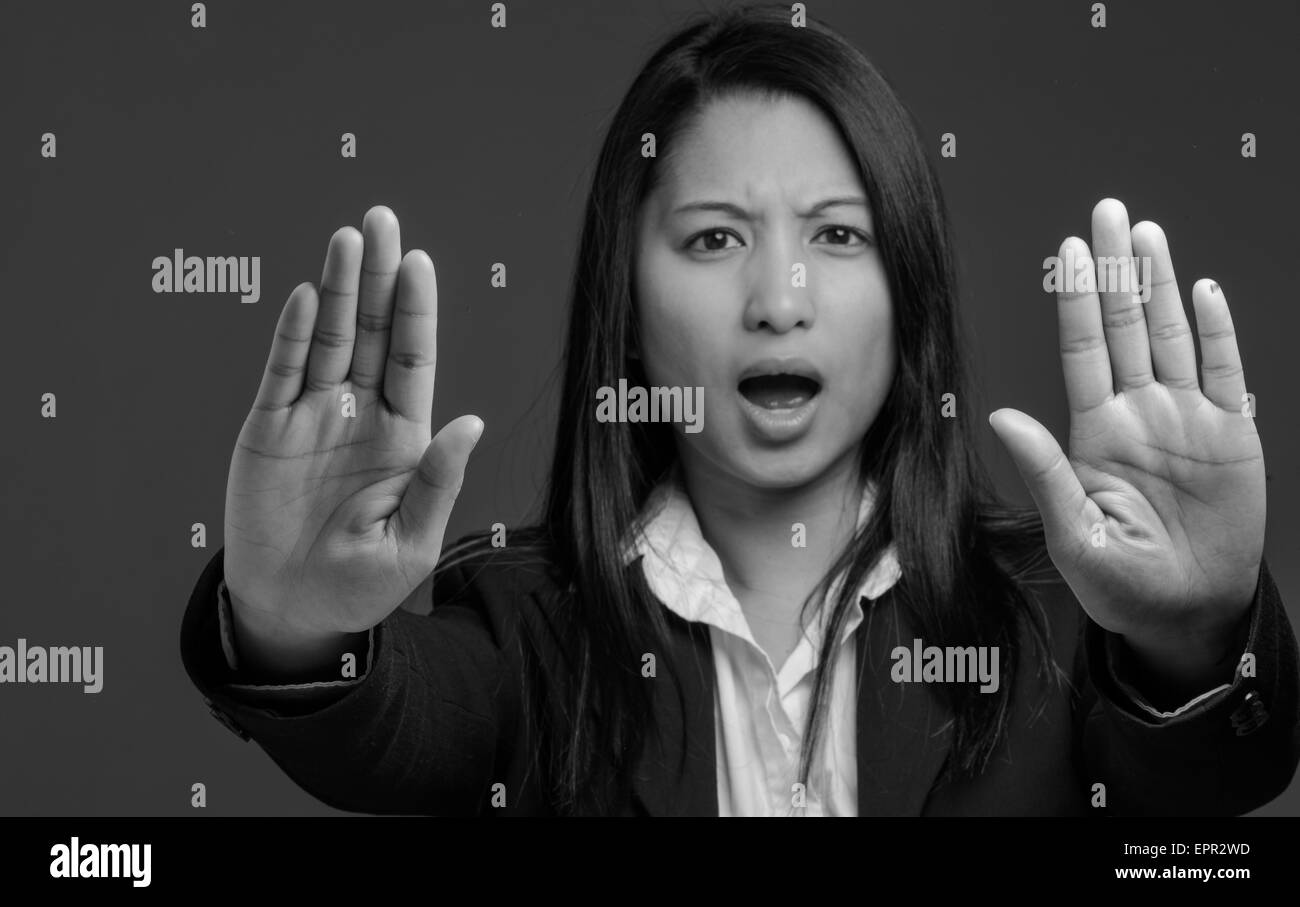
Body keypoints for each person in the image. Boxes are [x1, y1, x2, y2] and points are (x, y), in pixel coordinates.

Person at [179, 4, 1299, 816]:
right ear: (627, 301)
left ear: (908, 296)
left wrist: (1196, 632)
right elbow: (394, 734)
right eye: (714, 239)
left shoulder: (1061, 619)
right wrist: (288, 624)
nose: (779, 301)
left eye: (837, 235)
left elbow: (1217, 784)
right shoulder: (525, 630)